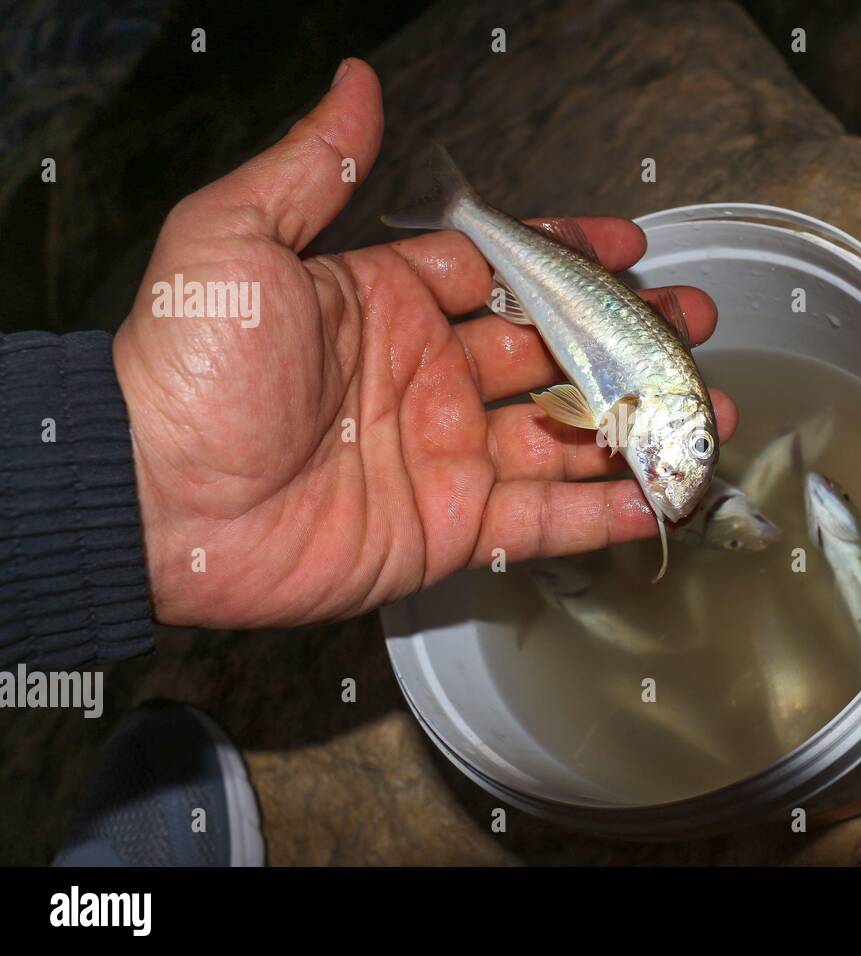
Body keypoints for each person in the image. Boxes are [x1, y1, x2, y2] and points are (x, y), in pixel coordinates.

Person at [1, 59, 736, 864]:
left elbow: (579, 412)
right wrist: (147, 467)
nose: (691, 467)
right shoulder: (638, 403)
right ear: (672, 415)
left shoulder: (628, 417)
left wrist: (138, 479)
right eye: (696, 444)